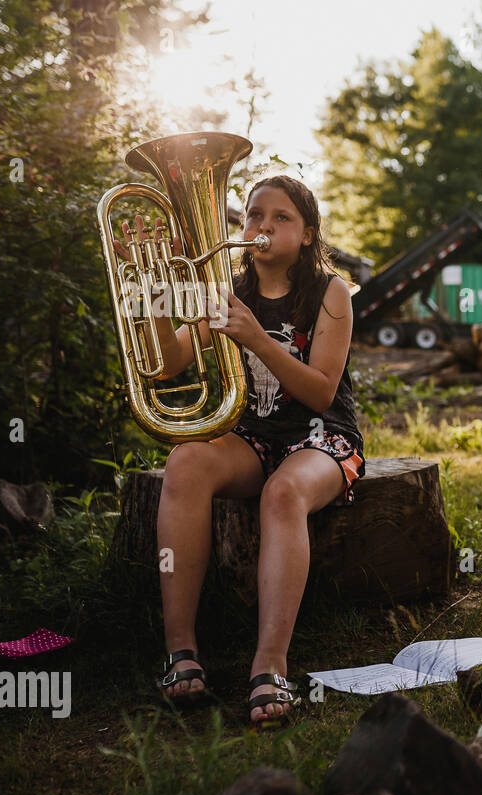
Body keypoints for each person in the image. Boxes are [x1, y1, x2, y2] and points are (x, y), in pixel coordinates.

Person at [116, 174, 363, 727]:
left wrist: (254, 338)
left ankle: (269, 664)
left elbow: (321, 390)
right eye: (254, 215)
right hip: (253, 436)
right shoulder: (229, 290)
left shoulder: (331, 292)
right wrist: (157, 293)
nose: (263, 227)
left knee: (282, 494)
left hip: (323, 437)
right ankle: (181, 653)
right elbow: (168, 361)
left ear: (306, 234)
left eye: (281, 218)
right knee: (186, 461)